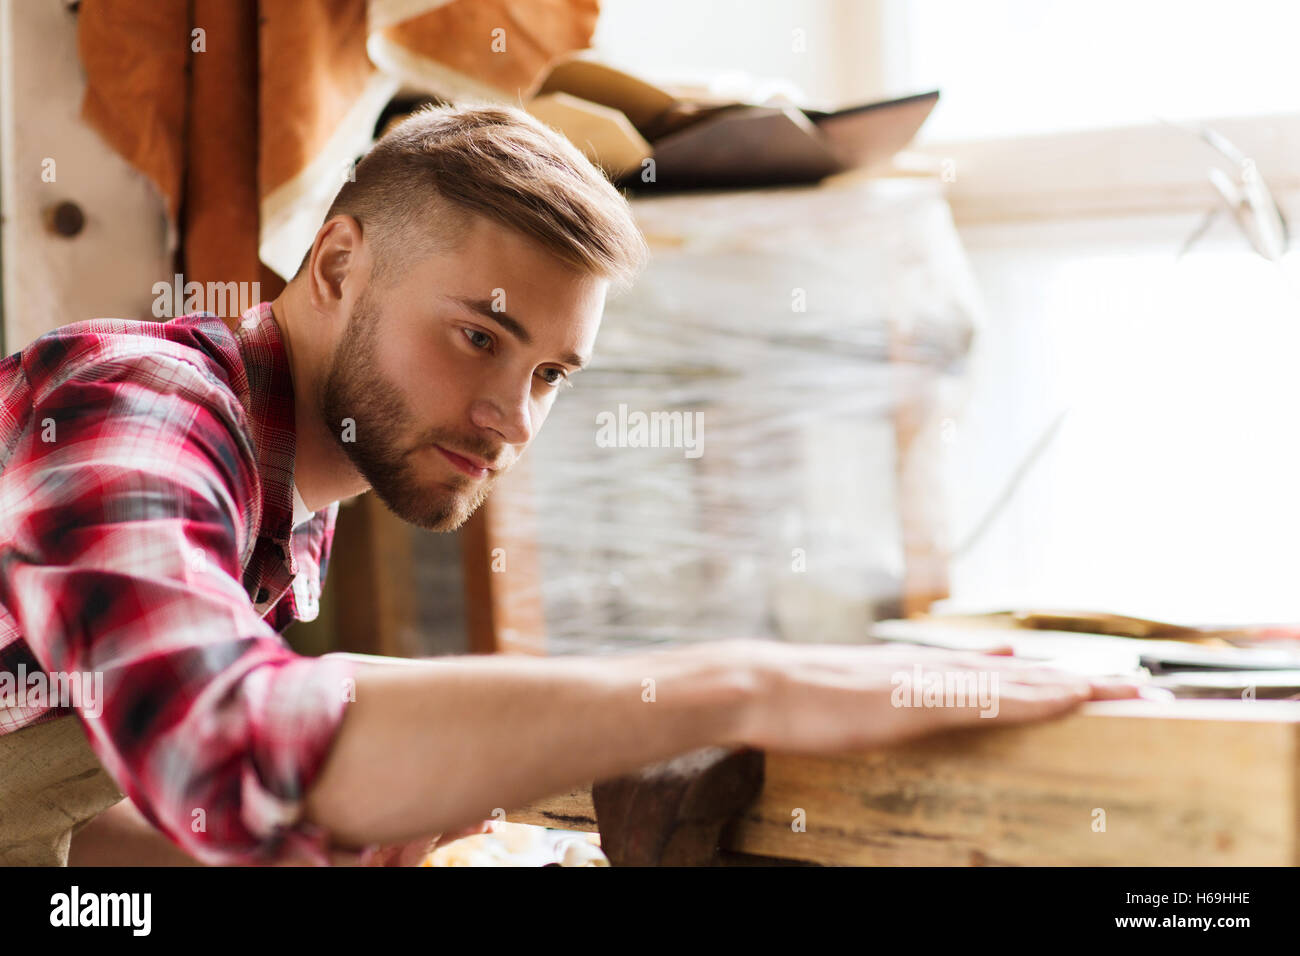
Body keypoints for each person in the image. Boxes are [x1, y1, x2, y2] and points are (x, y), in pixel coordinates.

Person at [0, 103, 1135, 866]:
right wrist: (738, 682)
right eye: (479, 336)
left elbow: (122, 774)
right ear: (339, 263)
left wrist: (424, 810)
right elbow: (219, 739)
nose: (514, 416)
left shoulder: (294, 485)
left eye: (550, 371)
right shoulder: (137, 405)